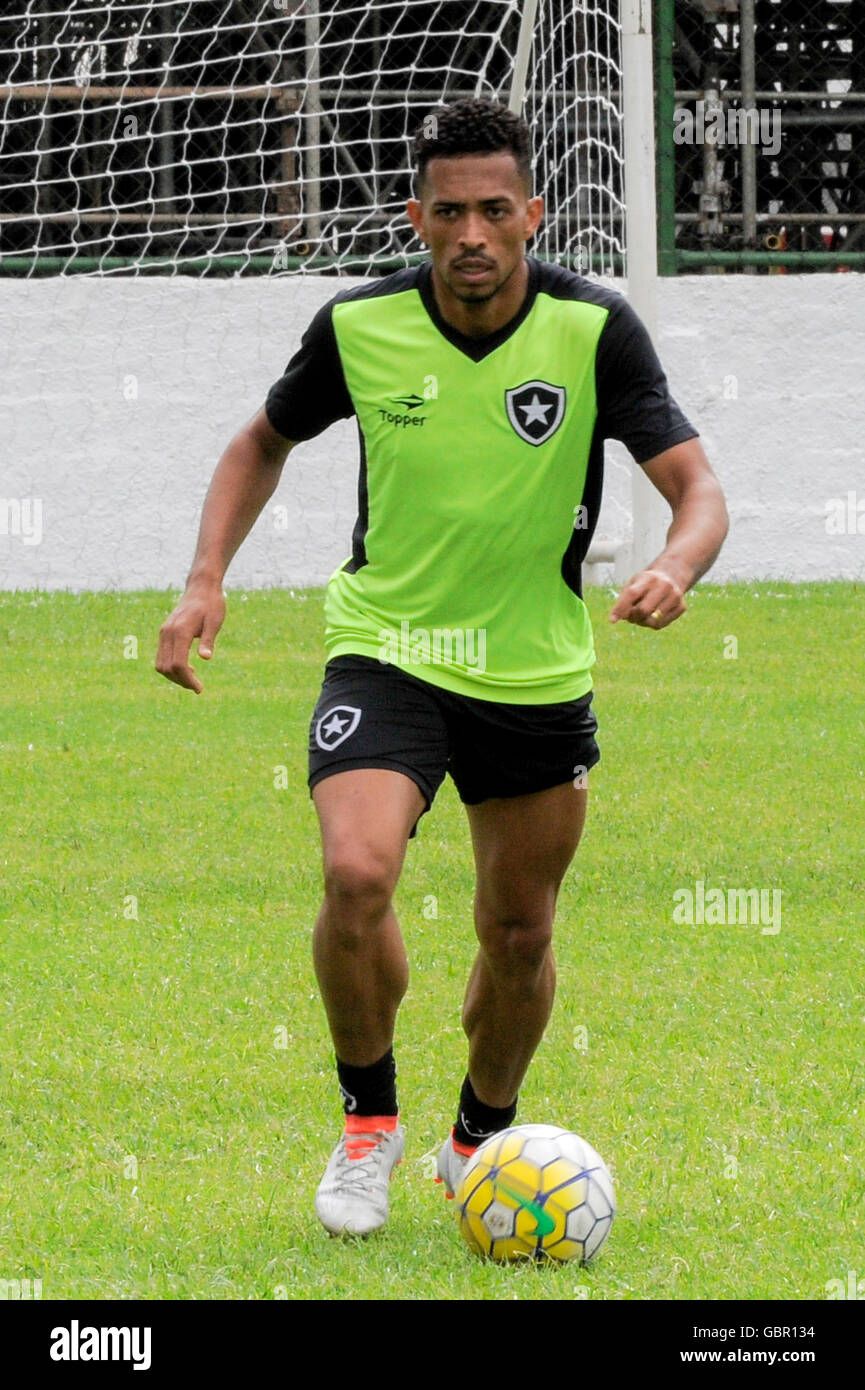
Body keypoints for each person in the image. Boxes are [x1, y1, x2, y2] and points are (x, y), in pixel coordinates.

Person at [156, 97, 728, 1238]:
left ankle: (479, 1141)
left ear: (533, 215)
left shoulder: (592, 329)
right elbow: (258, 439)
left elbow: (698, 490)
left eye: (494, 210)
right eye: (449, 211)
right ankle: (368, 1126)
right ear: (416, 217)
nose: (472, 233)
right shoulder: (360, 326)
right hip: (388, 651)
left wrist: (676, 564)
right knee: (357, 872)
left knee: (518, 933)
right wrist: (204, 577)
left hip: (532, 671)